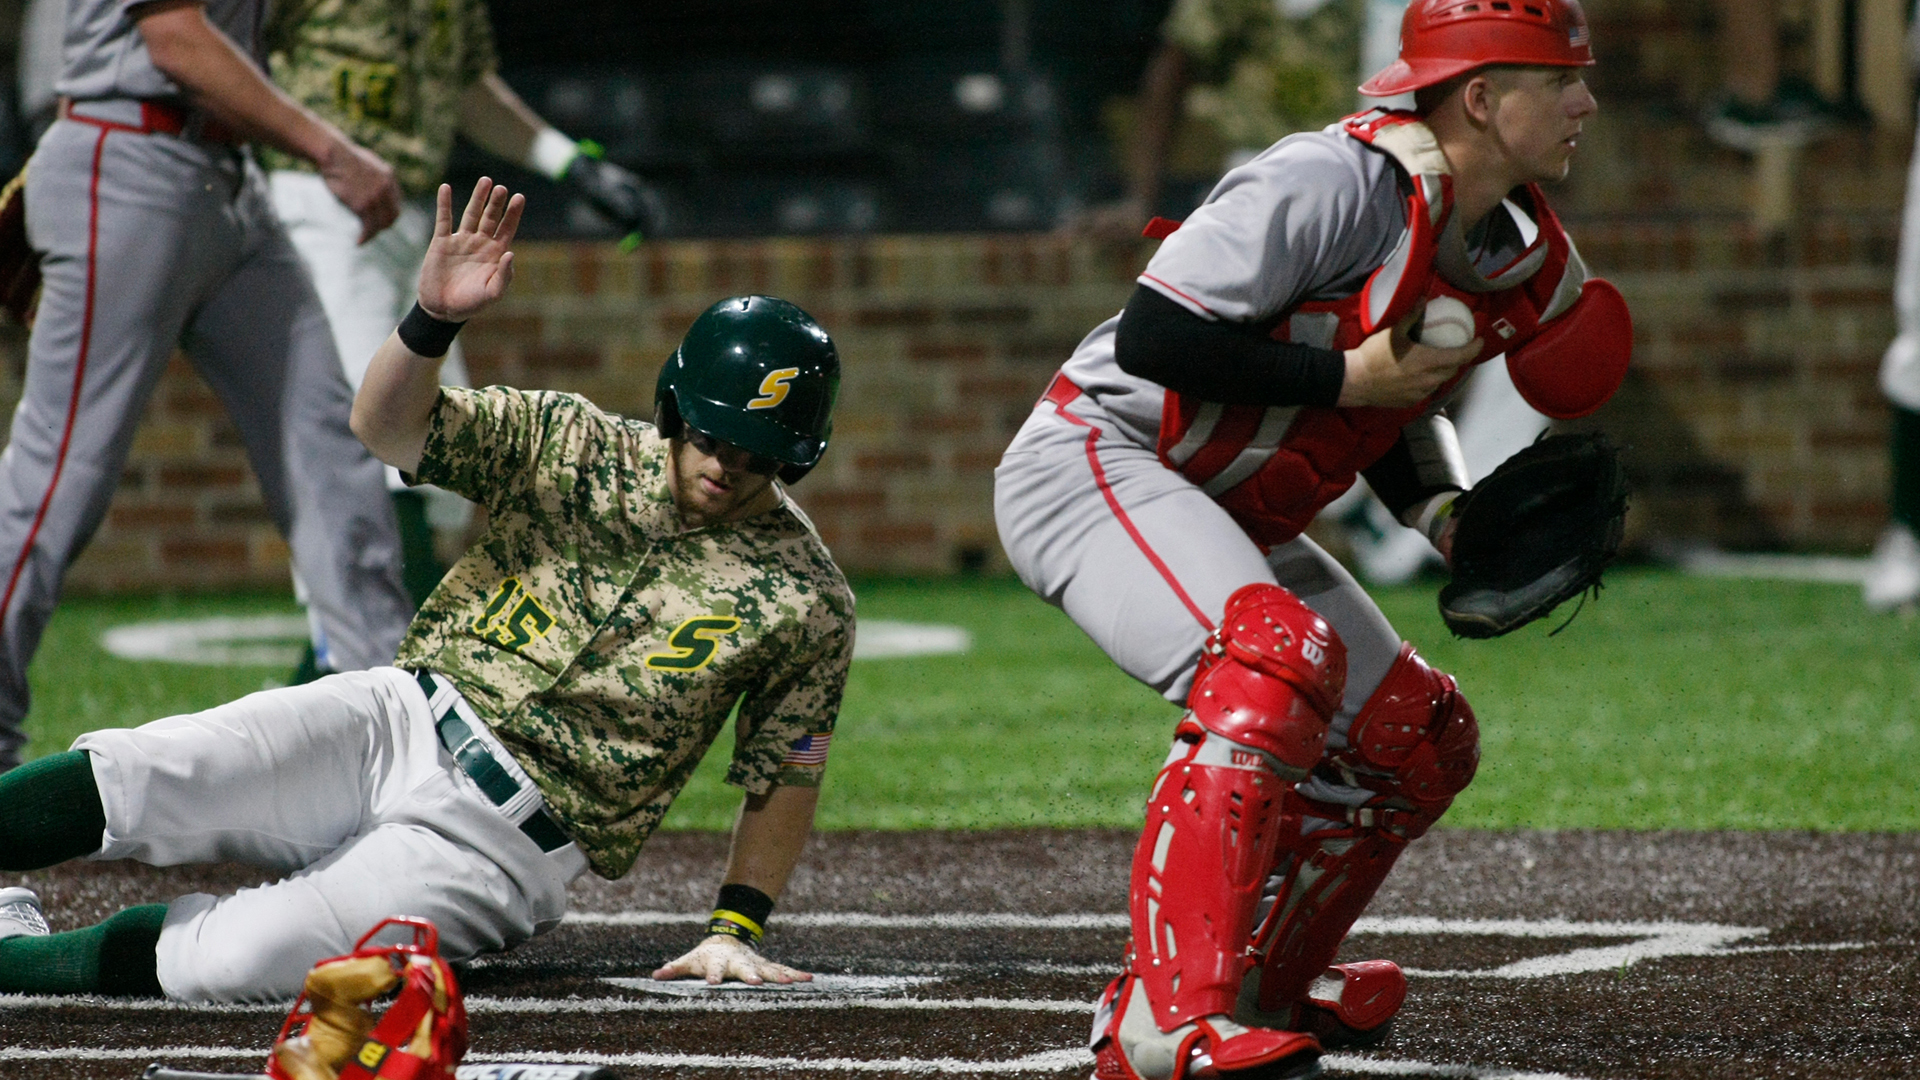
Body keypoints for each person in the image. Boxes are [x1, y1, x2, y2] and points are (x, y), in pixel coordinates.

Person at [0, 177, 854, 1002]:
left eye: (756, 454)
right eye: (713, 437)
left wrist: (735, 929)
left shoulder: (807, 598)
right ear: (676, 405)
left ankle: (17, 956)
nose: (725, 466)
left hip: (503, 850)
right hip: (398, 717)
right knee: (149, 770)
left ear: (796, 457)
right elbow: (385, 427)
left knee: (239, 958)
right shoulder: (569, 438)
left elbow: (786, 770)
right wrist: (432, 321)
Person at [994, 0, 1628, 1074]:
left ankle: (1260, 985)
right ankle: (1164, 1026)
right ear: (1481, 96)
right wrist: (1345, 377)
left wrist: (1447, 512)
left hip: (1216, 501)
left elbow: (1386, 411)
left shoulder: (1493, 239)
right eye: (1560, 77)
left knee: (1420, 744)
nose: (1586, 100)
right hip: (1097, 458)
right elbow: (1155, 333)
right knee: (1274, 660)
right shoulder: (1326, 178)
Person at [0, 0, 417, 772]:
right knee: (58, 484)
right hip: (128, 149)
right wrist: (332, 150)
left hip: (226, 177)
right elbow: (176, 37)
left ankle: (392, 749)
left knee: (333, 448)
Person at [262, 0, 663, 664]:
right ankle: (364, 676)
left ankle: (362, 681)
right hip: (320, 201)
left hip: (412, 216)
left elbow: (465, 85)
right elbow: (231, 56)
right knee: (372, 448)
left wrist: (573, 163)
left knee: (444, 457)